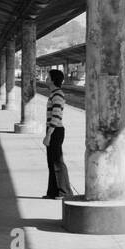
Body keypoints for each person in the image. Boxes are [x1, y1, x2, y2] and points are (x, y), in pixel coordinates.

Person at [43, 69, 75, 199]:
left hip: (55, 130)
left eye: (47, 77)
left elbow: (56, 116)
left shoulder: (58, 95)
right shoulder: (54, 94)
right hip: (53, 129)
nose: (46, 79)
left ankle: (65, 192)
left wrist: (48, 134)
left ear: (52, 80)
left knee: (57, 162)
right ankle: (53, 192)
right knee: (51, 162)